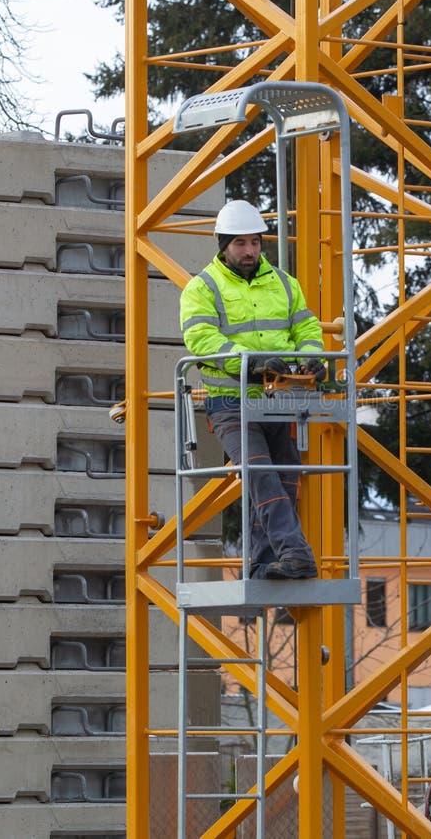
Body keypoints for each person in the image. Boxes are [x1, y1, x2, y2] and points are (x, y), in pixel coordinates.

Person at [180, 199, 326, 579]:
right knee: (261, 473)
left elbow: (307, 331)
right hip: (230, 401)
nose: (249, 251)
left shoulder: (284, 283)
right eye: (240, 244)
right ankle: (295, 551)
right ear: (223, 245)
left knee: (285, 476)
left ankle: (265, 564)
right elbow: (200, 338)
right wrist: (251, 362)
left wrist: (310, 360)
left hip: (278, 399)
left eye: (255, 243)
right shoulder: (202, 287)